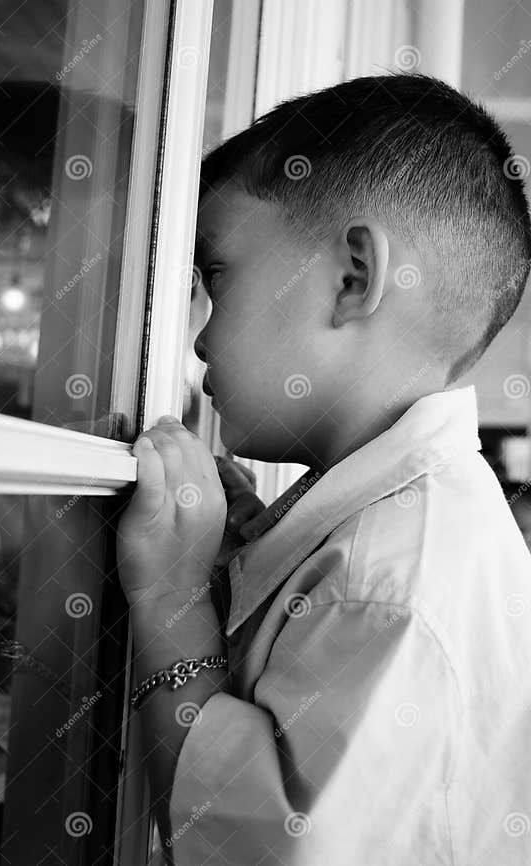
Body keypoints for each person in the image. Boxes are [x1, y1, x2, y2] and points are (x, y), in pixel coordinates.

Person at [116, 73, 531, 865]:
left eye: (218, 274)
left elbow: (258, 847)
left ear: (352, 278)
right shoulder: (401, 530)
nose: (197, 337)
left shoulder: (391, 584)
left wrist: (170, 595)